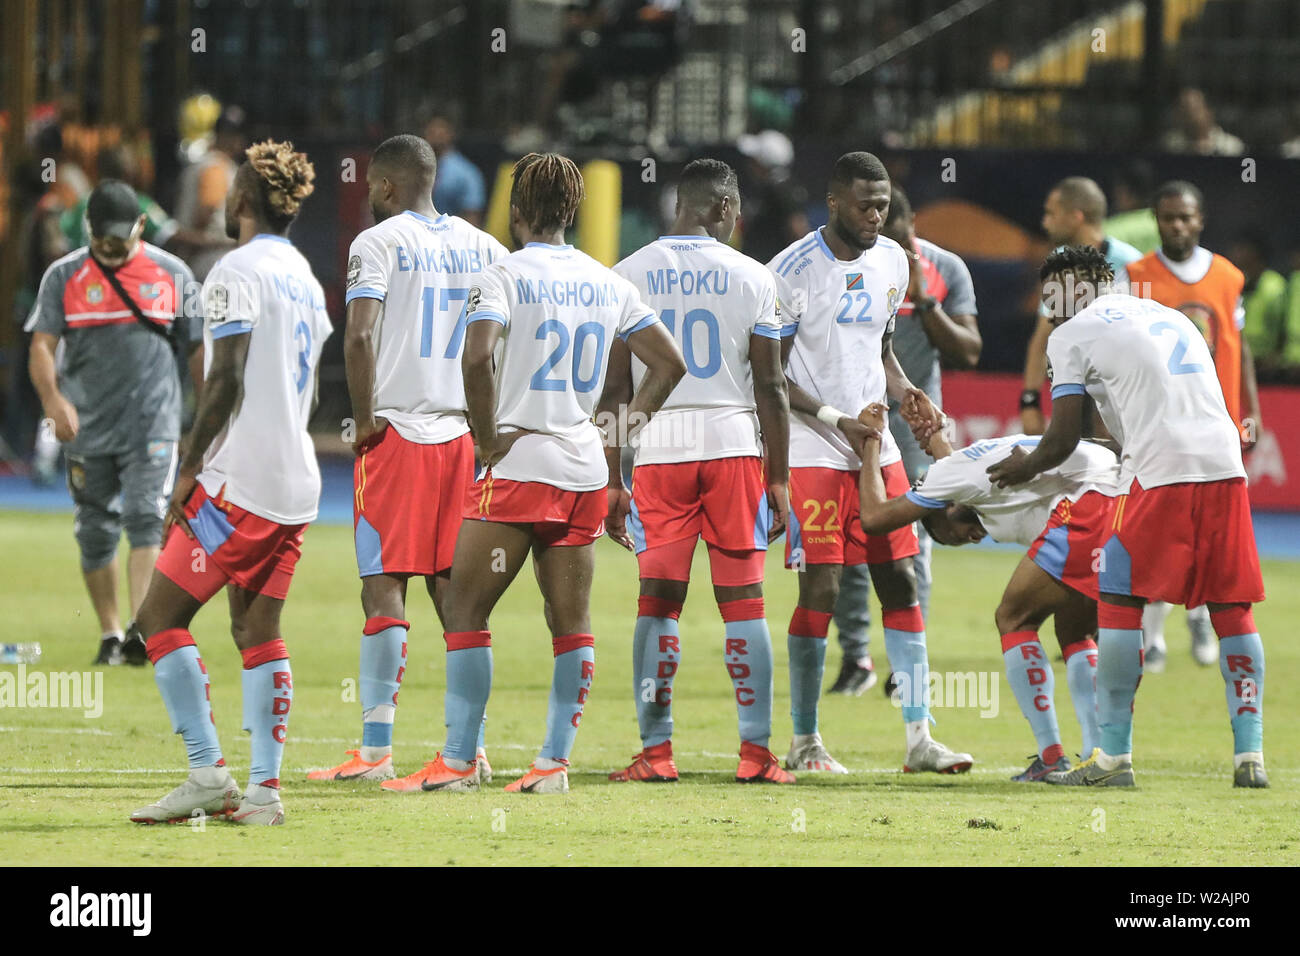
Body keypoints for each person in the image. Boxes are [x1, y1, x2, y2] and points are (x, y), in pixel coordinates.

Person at [409, 152, 685, 794]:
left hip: (519, 461)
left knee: (464, 607)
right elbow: (668, 365)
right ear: (574, 211)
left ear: (516, 209)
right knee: (571, 620)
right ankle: (552, 764)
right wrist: (619, 432)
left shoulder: (500, 275)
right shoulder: (608, 282)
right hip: (584, 466)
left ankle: (457, 762)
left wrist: (483, 439)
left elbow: (477, 357)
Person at [988, 245, 1268, 789]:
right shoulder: (1167, 314)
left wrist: (1026, 467)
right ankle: (1249, 757)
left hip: (1161, 469)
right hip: (1224, 463)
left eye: (1052, 298)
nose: (1049, 313)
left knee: (1118, 597)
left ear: (1073, 291)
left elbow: (1064, 436)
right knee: (1230, 604)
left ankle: (1113, 759)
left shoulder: (1071, 334)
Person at [129, 140, 332, 824]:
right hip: (297, 484)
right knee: (255, 627)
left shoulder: (233, 271)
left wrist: (186, 470)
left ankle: (208, 773)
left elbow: (228, 376)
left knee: (158, 617)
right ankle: (266, 794)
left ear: (241, 202)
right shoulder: (303, 275)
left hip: (238, 483)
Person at [305, 134, 509, 788]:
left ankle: (374, 750)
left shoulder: (378, 242)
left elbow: (360, 334)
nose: (367, 197)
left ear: (388, 187)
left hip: (397, 436)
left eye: (370, 187)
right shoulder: (486, 248)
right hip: (463, 440)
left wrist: (363, 419)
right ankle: (466, 750)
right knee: (458, 596)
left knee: (383, 588)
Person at [768, 151, 972, 775]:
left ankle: (920, 740)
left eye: (883, 203)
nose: (876, 215)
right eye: (865, 204)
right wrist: (838, 421)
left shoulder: (892, 263)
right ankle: (805, 742)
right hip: (813, 448)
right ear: (833, 202)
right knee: (823, 586)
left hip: (873, 448)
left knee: (900, 580)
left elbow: (880, 347)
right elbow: (771, 375)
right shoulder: (791, 271)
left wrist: (907, 391)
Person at [602, 158, 793, 784]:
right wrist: (780, 478)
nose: (738, 222)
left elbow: (613, 393)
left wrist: (613, 477)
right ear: (721, 209)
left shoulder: (625, 276)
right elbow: (771, 384)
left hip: (661, 448)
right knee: (745, 604)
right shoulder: (755, 277)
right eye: (735, 212)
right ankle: (756, 754)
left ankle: (656, 755)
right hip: (734, 443)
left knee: (657, 606)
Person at [857, 403, 1113, 781]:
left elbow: (875, 518)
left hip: (1087, 503)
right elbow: (962, 476)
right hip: (1119, 494)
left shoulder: (945, 481)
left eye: (956, 537)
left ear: (944, 509)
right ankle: (1097, 758)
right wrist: (936, 436)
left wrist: (871, 442)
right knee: (1075, 632)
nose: (973, 538)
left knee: (1013, 618)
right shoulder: (969, 469)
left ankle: (1052, 755)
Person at [26, 179, 204, 666]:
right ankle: (108, 635)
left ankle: (141, 634)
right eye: (102, 236)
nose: (111, 245)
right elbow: (41, 344)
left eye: (121, 237)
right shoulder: (63, 277)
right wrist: (53, 399)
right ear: (88, 228)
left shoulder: (174, 275)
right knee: (95, 530)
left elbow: (197, 349)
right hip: (87, 426)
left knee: (147, 517)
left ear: (141, 227)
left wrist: (205, 419)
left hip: (153, 423)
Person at [829, 184, 980, 696]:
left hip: (916, 425)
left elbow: (970, 351)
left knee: (914, 543)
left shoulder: (945, 268)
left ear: (908, 224)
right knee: (850, 543)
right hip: (852, 420)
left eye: (889, 226)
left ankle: (905, 668)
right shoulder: (845, 264)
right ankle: (855, 657)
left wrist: (924, 300)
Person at [1123, 180, 1262, 671]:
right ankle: (1154, 633)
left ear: (1200, 220)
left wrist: (1251, 409)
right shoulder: (1137, 275)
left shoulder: (1227, 276)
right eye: (1167, 217)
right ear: (1156, 220)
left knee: (1214, 533)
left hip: (1217, 424)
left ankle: (1201, 617)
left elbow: (1238, 344)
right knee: (1163, 530)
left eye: (1185, 217)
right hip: (1160, 422)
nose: (1176, 226)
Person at [1020, 177, 1141, 437]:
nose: (1045, 222)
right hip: (1079, 398)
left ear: (1076, 217)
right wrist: (1029, 401)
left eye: (1051, 213)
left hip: (1128, 397)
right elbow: (1044, 336)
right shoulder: (1059, 264)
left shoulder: (1132, 264)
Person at [173, 106, 244, 280]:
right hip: (209, 258)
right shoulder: (217, 167)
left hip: (196, 261)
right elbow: (205, 212)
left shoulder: (200, 164)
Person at [1230, 232, 1289, 381]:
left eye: (1241, 249)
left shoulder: (1274, 286)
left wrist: (1275, 358)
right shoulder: (1236, 281)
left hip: (1269, 367)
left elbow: (1284, 327)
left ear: (1254, 253)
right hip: (1241, 362)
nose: (1235, 254)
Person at [424, 114, 486, 227]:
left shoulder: (467, 173)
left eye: (441, 133)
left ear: (450, 135)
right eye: (432, 133)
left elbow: (472, 216)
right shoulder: (416, 170)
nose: (436, 138)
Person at [1161, 88, 1245, 156]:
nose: (1189, 116)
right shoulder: (1169, 145)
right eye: (1184, 110)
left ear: (1209, 111)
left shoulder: (1232, 147)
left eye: (1194, 109)